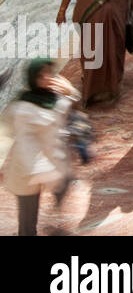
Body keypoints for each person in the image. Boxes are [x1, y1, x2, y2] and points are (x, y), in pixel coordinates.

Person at [1, 59, 77, 236]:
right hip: (29, 171)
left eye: (49, 73)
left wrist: (70, 91)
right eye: (40, 75)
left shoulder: (54, 97)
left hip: (53, 163)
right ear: (32, 78)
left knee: (62, 190)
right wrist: (38, 170)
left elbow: (68, 109)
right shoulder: (22, 108)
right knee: (28, 217)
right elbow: (26, 144)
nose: (46, 78)